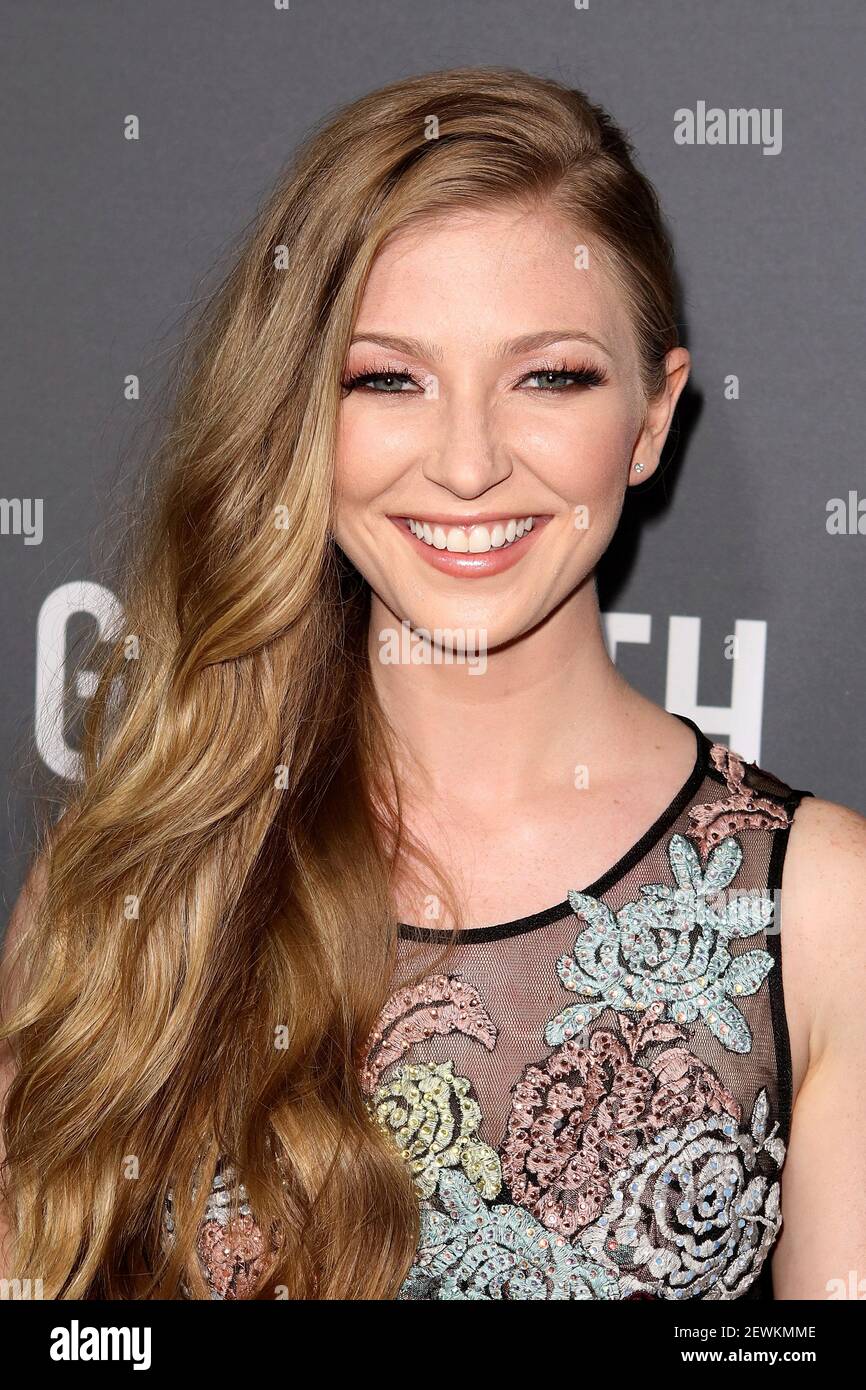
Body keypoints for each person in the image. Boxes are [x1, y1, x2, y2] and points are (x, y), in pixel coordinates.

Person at [1, 66, 864, 1302]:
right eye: (386, 378)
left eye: (549, 376)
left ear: (650, 417)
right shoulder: (134, 883)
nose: (465, 463)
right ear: (302, 410)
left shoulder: (820, 911)